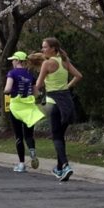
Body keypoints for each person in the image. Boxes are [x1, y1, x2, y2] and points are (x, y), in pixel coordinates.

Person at [35, 37, 83, 182]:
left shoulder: (47, 64)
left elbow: (38, 84)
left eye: (45, 47)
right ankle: (60, 168)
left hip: (53, 101)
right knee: (60, 136)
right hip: (67, 101)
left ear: (53, 48)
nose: (43, 49)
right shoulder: (64, 61)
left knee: (56, 136)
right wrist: (67, 86)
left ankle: (66, 166)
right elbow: (79, 76)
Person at [3, 51, 44, 173]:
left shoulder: (12, 73)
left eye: (13, 60)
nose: (12, 62)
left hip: (16, 106)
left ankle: (21, 164)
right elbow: (36, 92)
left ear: (17, 61)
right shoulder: (29, 74)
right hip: (29, 106)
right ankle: (32, 150)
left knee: (18, 136)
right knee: (29, 134)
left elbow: (8, 89)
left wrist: (6, 92)